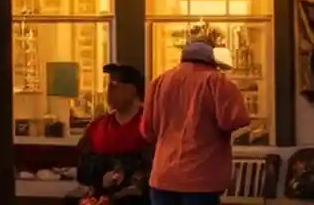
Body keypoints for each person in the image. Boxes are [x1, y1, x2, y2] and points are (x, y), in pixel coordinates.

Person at [141, 39, 251, 205]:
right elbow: (235, 120)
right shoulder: (217, 82)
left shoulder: (159, 81)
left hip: (163, 176)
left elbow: (146, 131)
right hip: (201, 178)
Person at [76, 63, 151, 204]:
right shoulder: (98, 127)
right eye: (109, 85)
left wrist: (129, 177)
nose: (109, 91)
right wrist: (101, 177)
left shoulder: (150, 126)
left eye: (115, 85)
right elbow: (82, 167)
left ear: (132, 89)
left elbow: (155, 166)